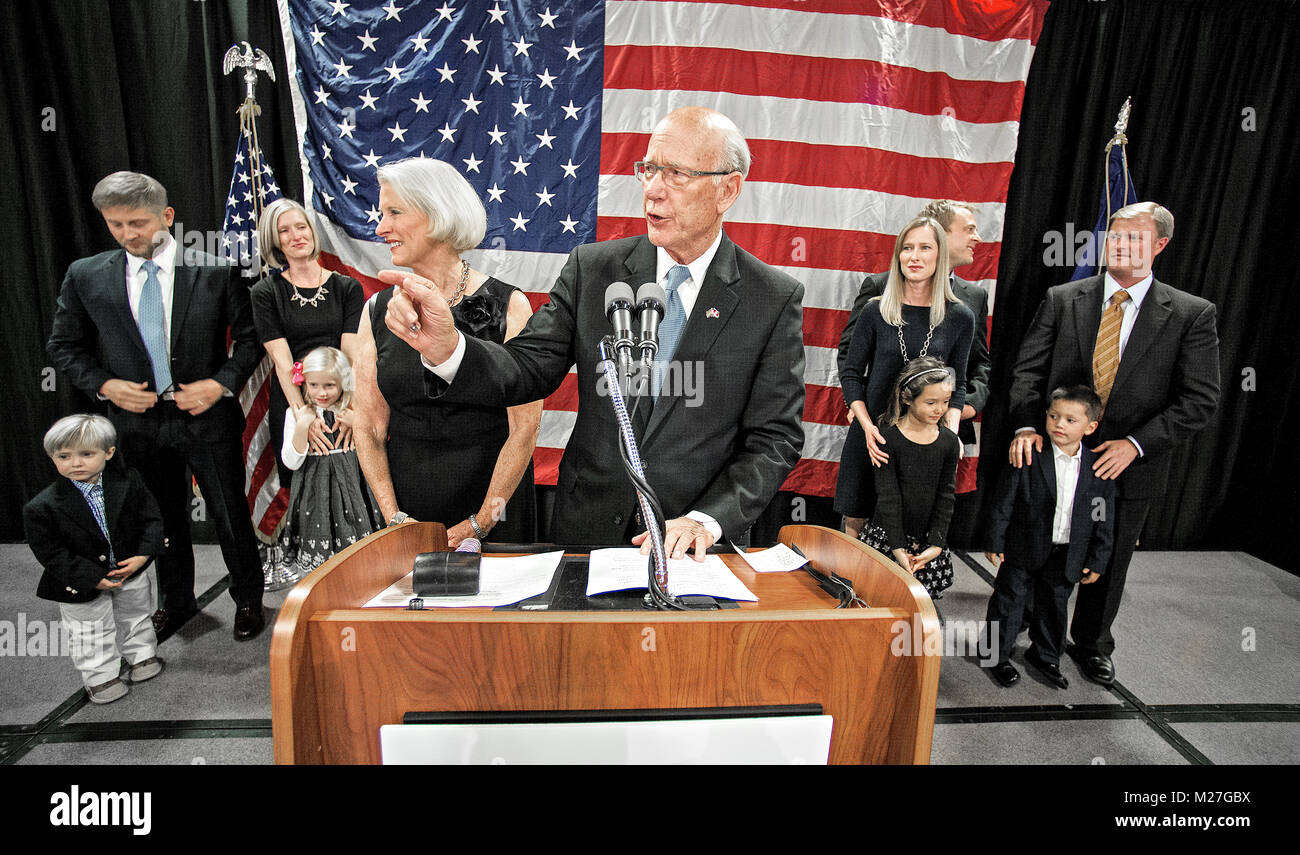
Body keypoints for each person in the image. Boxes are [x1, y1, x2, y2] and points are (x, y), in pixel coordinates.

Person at [381, 106, 805, 558]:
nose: (653, 191)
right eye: (649, 169)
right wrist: (451, 349)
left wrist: (707, 520)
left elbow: (774, 438)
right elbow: (527, 368)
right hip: (586, 532)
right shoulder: (594, 269)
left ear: (728, 189)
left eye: (676, 174)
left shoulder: (771, 298)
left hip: (694, 549)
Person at [46, 171, 267, 641]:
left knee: (229, 512)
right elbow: (64, 347)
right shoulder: (85, 275)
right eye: (116, 224)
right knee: (159, 517)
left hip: (206, 418)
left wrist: (220, 384)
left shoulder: (215, 269)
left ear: (166, 216)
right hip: (134, 425)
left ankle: (248, 598)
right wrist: (105, 386)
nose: (128, 234)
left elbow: (251, 342)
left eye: (138, 223)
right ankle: (177, 603)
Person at [1007, 202, 1220, 686]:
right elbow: (1027, 374)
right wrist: (1025, 426)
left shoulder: (1190, 314)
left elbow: (1199, 400)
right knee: (1038, 542)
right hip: (1056, 455)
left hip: (1129, 466)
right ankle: (1023, 626)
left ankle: (1092, 643)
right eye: (1115, 236)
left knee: (1111, 557)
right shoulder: (1064, 298)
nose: (1120, 246)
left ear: (1160, 246)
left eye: (1135, 239)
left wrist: (1136, 445)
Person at [354, 157, 540, 546]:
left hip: (495, 510)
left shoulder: (510, 306)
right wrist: (394, 517)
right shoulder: (375, 311)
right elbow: (369, 428)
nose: (380, 227)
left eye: (394, 212)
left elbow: (523, 430)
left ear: (437, 213)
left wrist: (481, 522)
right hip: (407, 515)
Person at [838, 200, 990, 538]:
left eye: (924, 248)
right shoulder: (876, 310)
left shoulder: (961, 315)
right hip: (873, 433)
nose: (914, 256)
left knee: (907, 526)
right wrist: (865, 425)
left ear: (940, 256)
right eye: (907, 248)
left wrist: (948, 432)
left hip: (925, 440)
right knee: (857, 522)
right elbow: (851, 373)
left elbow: (960, 380)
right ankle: (850, 590)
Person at [23, 415, 165, 704]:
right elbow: (52, 554)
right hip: (80, 583)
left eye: (86, 454)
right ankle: (100, 676)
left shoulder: (129, 481)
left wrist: (142, 556)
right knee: (89, 629)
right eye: (64, 456)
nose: (75, 463)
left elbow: (151, 519)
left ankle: (142, 655)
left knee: (136, 615)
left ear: (108, 452)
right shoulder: (41, 507)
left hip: (129, 572)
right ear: (52, 458)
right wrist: (90, 577)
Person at [983, 386, 1115, 689]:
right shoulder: (1030, 455)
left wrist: (1098, 558)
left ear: (1091, 426)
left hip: (1068, 552)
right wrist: (995, 539)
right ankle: (994, 654)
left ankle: (1045, 656)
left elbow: (1103, 519)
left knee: (1055, 606)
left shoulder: (1098, 468)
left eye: (1071, 420)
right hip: (1022, 546)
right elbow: (1004, 501)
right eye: (1054, 416)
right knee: (1008, 602)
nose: (1059, 424)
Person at [250, 198, 365, 489]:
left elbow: (352, 355)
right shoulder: (265, 292)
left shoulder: (347, 287)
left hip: (343, 398)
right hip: (294, 401)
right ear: (274, 240)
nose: (296, 235)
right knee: (305, 485)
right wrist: (303, 414)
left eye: (301, 227)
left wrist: (348, 408)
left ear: (312, 232)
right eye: (285, 230)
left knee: (352, 482)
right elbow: (282, 361)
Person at [278, 347, 382, 579]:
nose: (321, 393)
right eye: (314, 385)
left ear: (343, 383)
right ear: (304, 383)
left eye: (329, 385)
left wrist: (358, 423)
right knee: (320, 565)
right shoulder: (296, 414)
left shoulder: (354, 411)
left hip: (353, 489)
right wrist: (303, 426)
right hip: (314, 494)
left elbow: (378, 444)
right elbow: (291, 462)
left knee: (358, 554)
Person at [861, 357, 961, 600]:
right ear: (907, 398)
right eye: (931, 402)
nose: (939, 410)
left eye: (945, 402)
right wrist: (898, 547)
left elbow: (946, 495)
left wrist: (936, 544)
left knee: (918, 611)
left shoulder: (948, 442)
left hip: (926, 543)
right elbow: (888, 495)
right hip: (889, 536)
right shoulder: (888, 437)